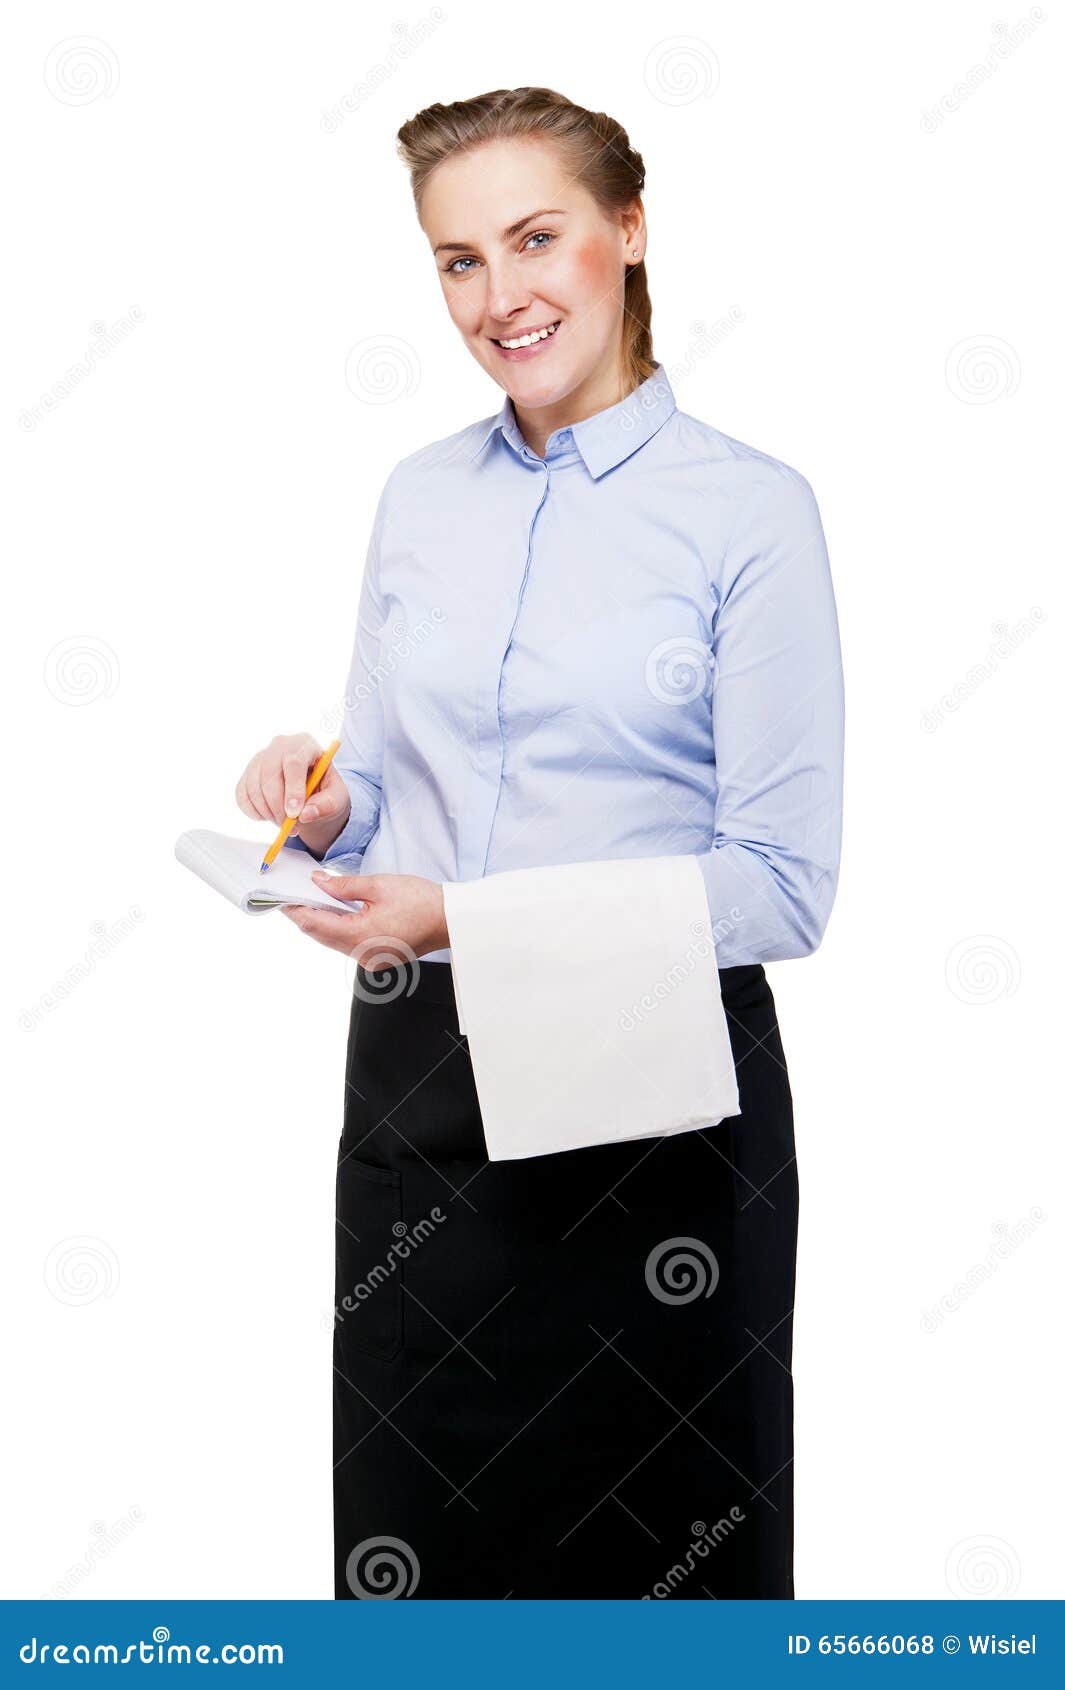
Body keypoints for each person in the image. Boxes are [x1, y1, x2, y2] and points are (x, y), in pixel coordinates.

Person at [235, 86, 844, 1599]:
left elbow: (780, 884)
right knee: (421, 1562)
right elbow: (375, 779)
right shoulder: (419, 496)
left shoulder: (749, 514)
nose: (497, 297)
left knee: (668, 1558)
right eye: (455, 260)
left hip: (656, 1114)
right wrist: (318, 802)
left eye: (534, 238)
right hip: (422, 1086)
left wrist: (475, 922)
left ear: (627, 235)